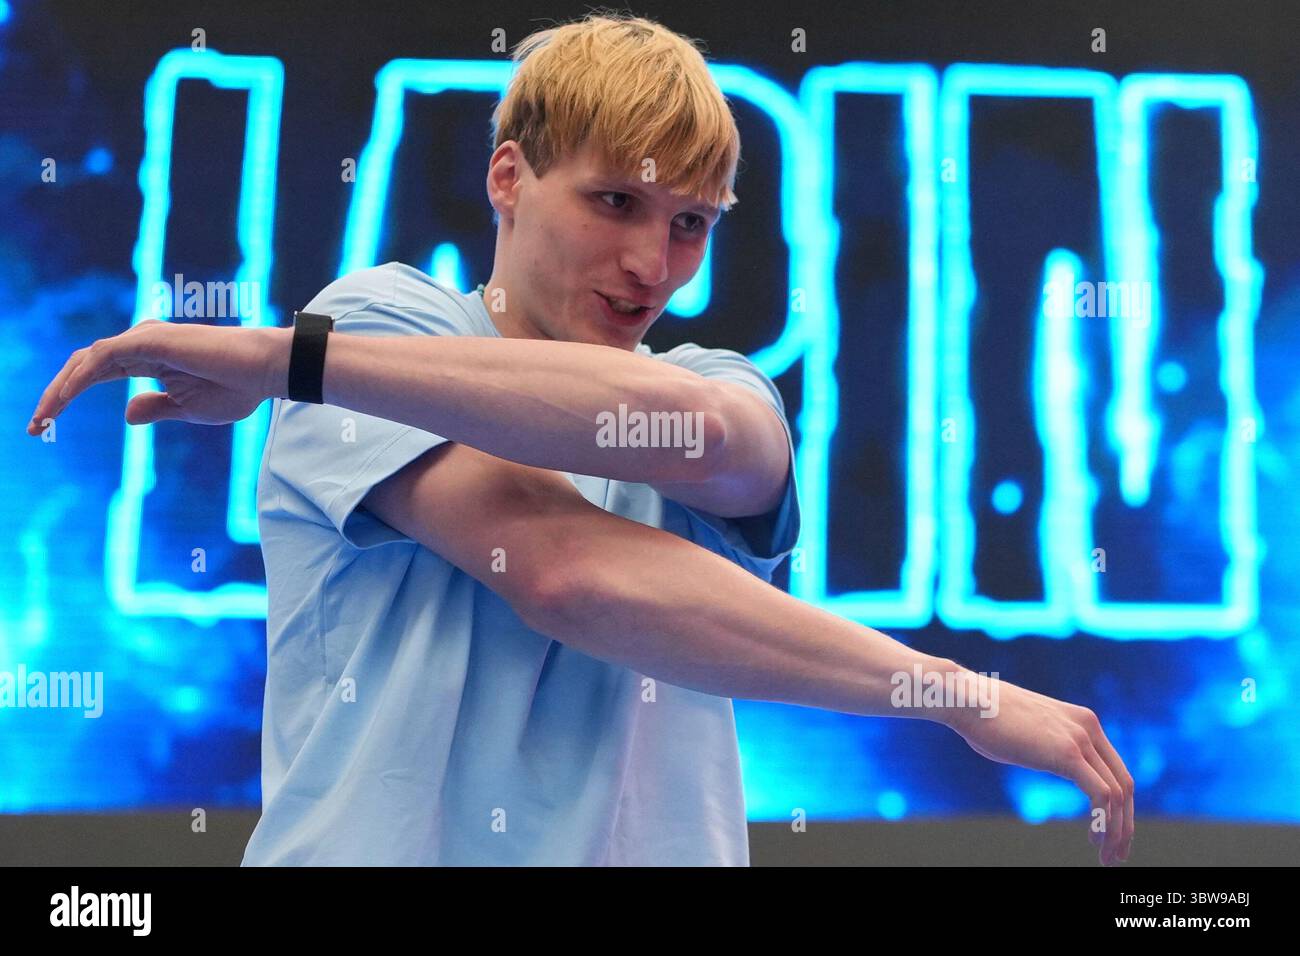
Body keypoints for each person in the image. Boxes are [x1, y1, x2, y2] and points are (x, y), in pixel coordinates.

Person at [27, 12, 1133, 866]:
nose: (654, 263)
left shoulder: (714, 382)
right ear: (508, 178)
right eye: (616, 202)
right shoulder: (381, 325)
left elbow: (718, 435)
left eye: (690, 224)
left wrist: (282, 362)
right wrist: (958, 693)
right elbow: (560, 569)